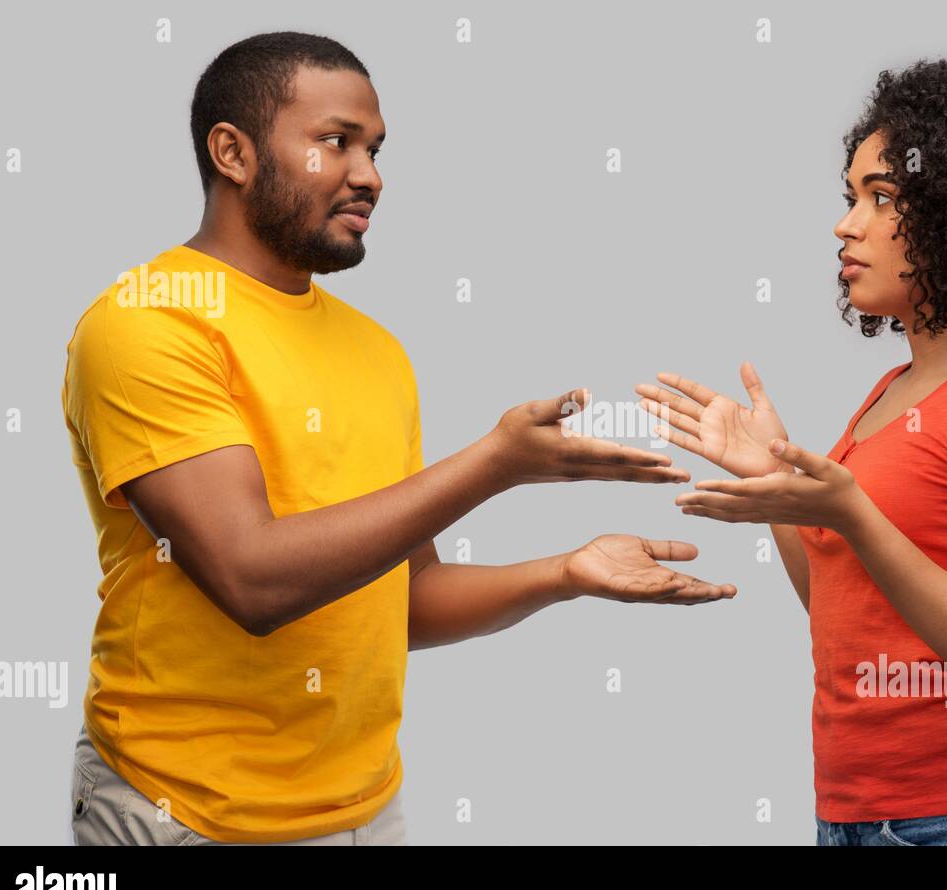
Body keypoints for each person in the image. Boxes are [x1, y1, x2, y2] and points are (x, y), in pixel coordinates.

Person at [63, 31, 734, 846]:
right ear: (233, 153)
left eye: (375, 149)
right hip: (180, 811)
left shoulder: (377, 351)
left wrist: (564, 573)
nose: (370, 175)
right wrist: (495, 465)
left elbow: (403, 599)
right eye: (334, 141)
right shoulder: (147, 323)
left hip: (364, 812)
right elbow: (252, 583)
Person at [636, 58, 947, 845]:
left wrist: (854, 514)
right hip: (858, 819)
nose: (847, 224)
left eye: (883, 197)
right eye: (852, 196)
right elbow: (841, 604)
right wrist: (779, 486)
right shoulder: (889, 393)